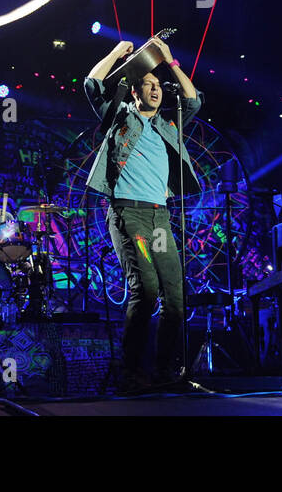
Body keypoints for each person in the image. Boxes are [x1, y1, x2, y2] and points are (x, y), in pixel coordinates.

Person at [84, 36, 202, 391]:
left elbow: (193, 99)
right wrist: (117, 54)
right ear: (134, 91)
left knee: (176, 298)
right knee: (146, 290)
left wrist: (170, 61)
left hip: (159, 218)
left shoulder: (169, 126)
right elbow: (92, 84)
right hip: (128, 214)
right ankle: (132, 371)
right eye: (147, 85)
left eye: (157, 86)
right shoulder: (121, 116)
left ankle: (167, 370)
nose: (155, 90)